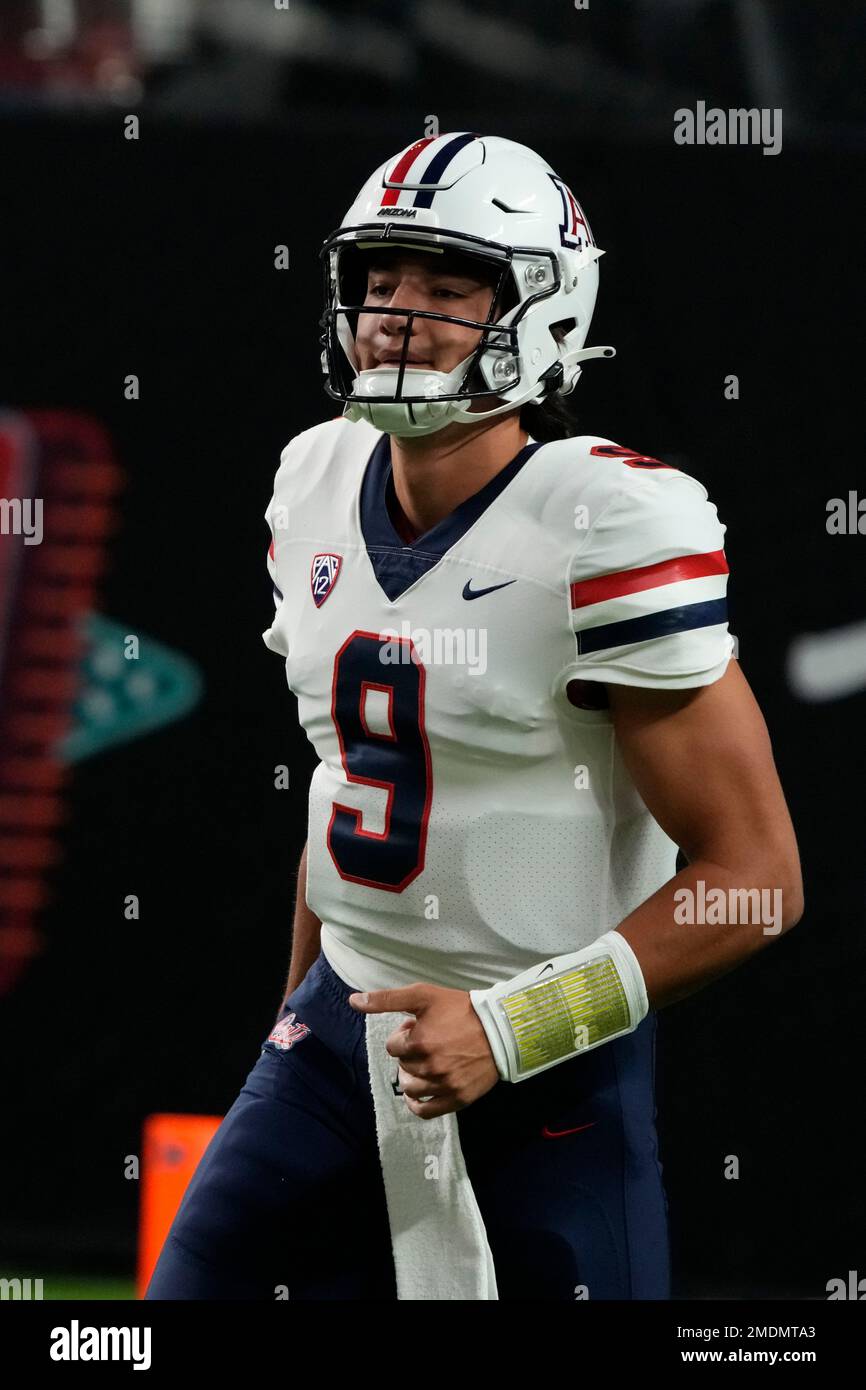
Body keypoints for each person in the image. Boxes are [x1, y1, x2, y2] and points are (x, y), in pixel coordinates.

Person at [144, 132, 803, 1301]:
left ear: (545, 311)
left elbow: (754, 877)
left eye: (448, 286)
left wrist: (506, 1031)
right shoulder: (310, 480)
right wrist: (288, 1025)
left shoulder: (602, 521)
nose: (398, 314)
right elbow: (345, 781)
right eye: (379, 281)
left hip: (549, 1068)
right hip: (335, 1029)